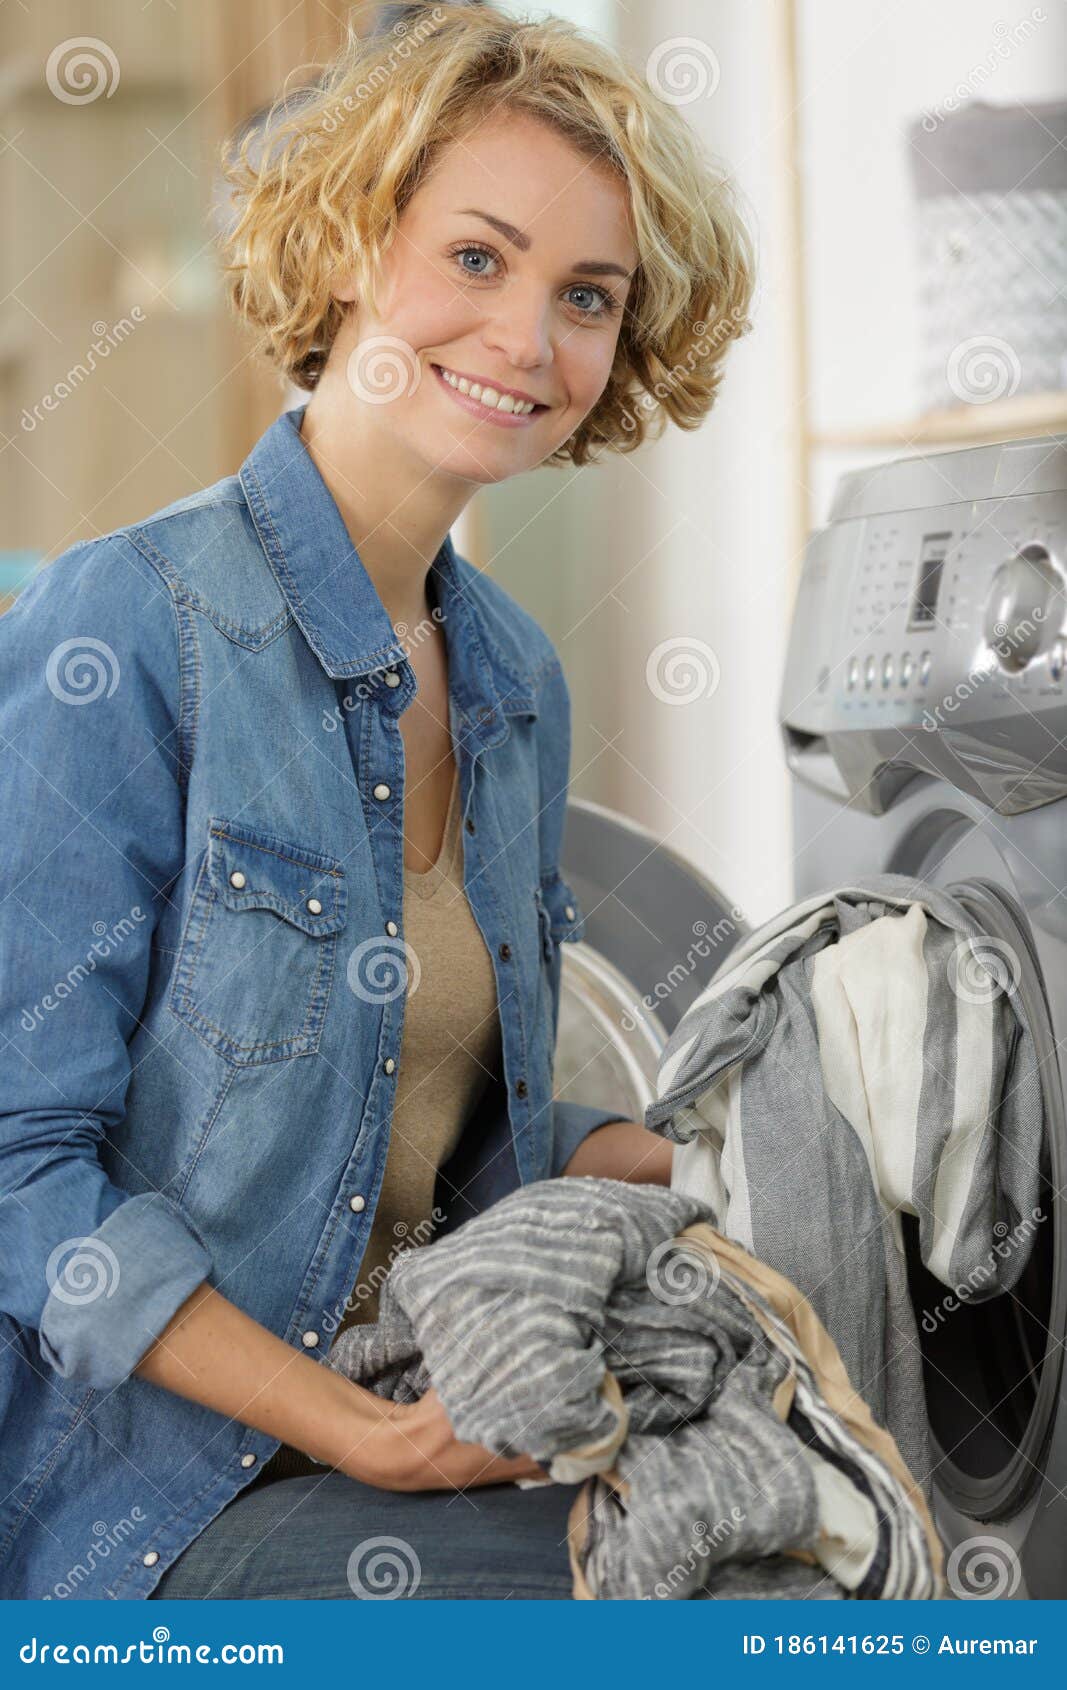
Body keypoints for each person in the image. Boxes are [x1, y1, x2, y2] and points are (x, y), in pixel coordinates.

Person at [0, 3, 754, 1599]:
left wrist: (727, 1154)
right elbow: (19, 1168)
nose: (528, 343)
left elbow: (426, 1137)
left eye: (587, 297)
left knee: (783, 1560)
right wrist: (357, 1428)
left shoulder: (509, 679)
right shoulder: (126, 628)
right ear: (349, 243)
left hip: (413, 1409)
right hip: (140, 1505)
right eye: (475, 258)